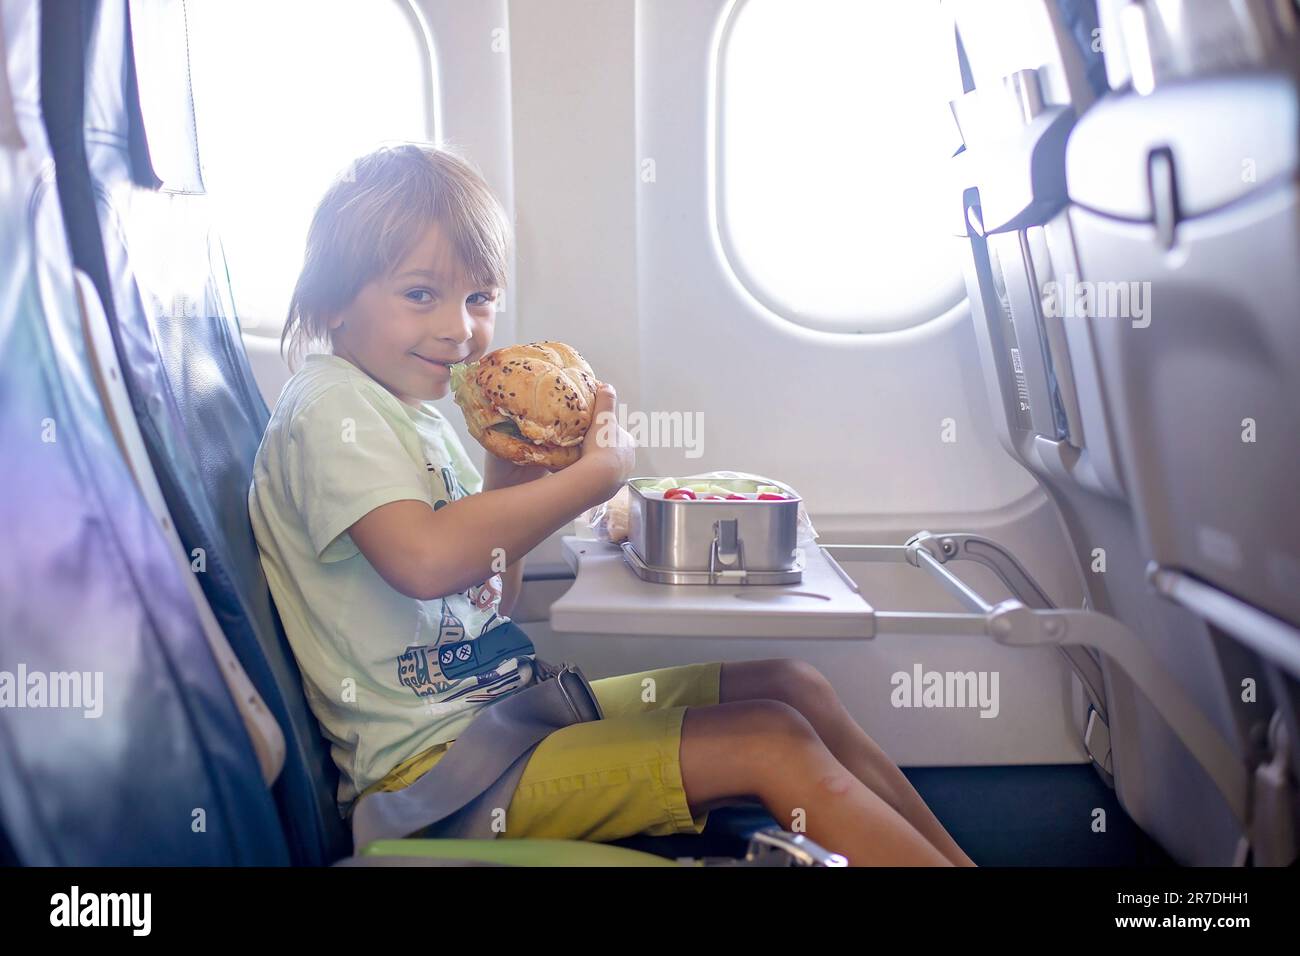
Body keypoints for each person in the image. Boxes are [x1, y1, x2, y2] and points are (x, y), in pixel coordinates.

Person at [248, 142, 974, 866]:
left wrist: (510, 468)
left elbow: (489, 598)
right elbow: (424, 561)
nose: (458, 328)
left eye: (479, 297)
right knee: (771, 742)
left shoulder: (418, 414)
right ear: (333, 301)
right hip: (438, 782)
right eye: (420, 295)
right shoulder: (330, 406)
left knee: (794, 687)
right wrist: (595, 478)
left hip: (511, 721)